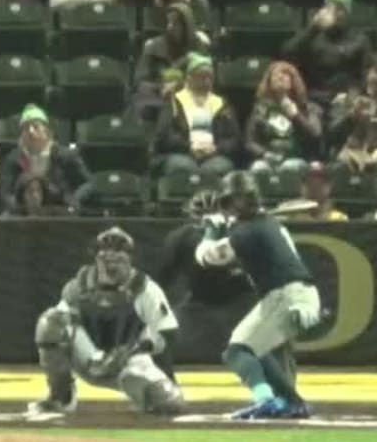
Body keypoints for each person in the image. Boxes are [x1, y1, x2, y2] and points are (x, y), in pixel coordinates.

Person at [194, 170, 322, 420]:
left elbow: (206, 257)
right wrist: (227, 228)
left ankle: (265, 399)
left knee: (237, 351)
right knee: (257, 351)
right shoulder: (270, 225)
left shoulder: (247, 232)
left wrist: (211, 229)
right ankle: (293, 402)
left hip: (285, 295)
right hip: (297, 294)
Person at [30, 227, 184, 416]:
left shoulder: (145, 290)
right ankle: (61, 396)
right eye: (105, 257)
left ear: (129, 260)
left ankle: (147, 396)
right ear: (96, 259)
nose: (111, 264)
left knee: (168, 404)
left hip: (128, 363)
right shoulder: (78, 287)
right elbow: (60, 323)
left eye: (118, 258)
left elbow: (166, 333)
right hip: (90, 358)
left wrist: (141, 353)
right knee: (49, 324)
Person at [153, 190, 257, 368]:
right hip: (198, 303)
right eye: (202, 217)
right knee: (164, 340)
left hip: (240, 301)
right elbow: (164, 276)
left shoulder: (240, 233)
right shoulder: (182, 237)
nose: (208, 221)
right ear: (192, 217)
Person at [153, 53, 240, 176]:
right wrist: (189, 146)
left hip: (214, 155)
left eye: (210, 78)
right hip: (182, 153)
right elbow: (164, 136)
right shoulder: (175, 101)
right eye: (201, 77)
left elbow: (233, 138)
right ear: (189, 78)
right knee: (183, 167)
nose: (206, 82)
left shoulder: (221, 104)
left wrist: (215, 148)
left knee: (217, 168)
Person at [280, 0, 371, 101]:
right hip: (314, 99)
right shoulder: (313, 36)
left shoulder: (359, 40)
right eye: (330, 8)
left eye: (340, 9)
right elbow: (287, 54)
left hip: (345, 99)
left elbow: (365, 76)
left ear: (347, 14)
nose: (335, 14)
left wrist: (352, 96)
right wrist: (313, 28)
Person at [0, 104, 89, 215]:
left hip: (60, 213)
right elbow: (6, 193)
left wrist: (73, 200)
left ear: (46, 130)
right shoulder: (13, 159)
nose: (31, 131)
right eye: (26, 128)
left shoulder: (66, 156)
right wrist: (18, 208)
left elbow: (87, 184)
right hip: (24, 216)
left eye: (36, 126)